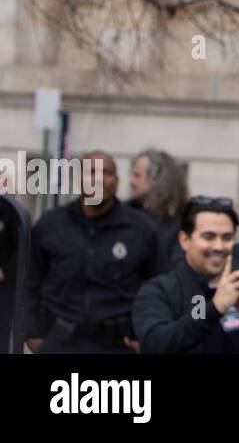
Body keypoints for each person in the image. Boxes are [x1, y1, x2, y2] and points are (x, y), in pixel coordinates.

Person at [27, 150, 163, 353]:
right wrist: (33, 335)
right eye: (90, 172)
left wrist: (148, 336)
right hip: (59, 344)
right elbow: (29, 283)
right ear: (77, 179)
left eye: (106, 173)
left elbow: (159, 286)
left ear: (116, 182)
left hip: (118, 346)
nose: (97, 179)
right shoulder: (51, 224)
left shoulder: (142, 229)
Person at [132, 196, 239, 354]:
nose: (219, 246)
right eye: (209, 237)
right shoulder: (159, 291)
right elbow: (156, 345)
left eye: (227, 238)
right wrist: (215, 307)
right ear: (184, 240)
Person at [129, 148, 189, 268]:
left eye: (137, 175)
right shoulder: (126, 213)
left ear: (155, 178)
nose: (131, 181)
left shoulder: (181, 219)